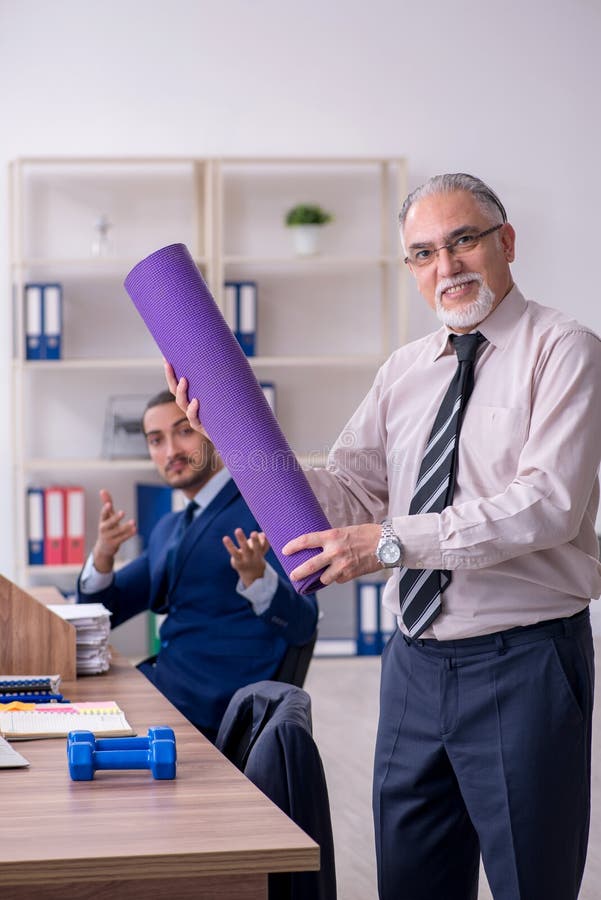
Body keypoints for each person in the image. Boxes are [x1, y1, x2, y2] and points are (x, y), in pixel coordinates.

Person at [167, 173, 601, 900]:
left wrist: (391, 543)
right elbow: (344, 491)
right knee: (409, 881)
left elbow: (547, 504)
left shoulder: (562, 351)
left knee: (531, 884)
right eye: (423, 252)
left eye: (463, 240)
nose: (447, 266)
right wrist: (232, 441)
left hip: (522, 663)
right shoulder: (403, 372)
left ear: (506, 242)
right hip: (412, 668)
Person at [77, 389, 318, 743]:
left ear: (212, 431)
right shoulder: (170, 527)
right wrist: (103, 555)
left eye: (184, 432)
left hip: (210, 714)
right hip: (161, 691)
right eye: (156, 440)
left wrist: (257, 579)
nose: (171, 451)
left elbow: (302, 624)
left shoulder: (263, 510)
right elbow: (100, 615)